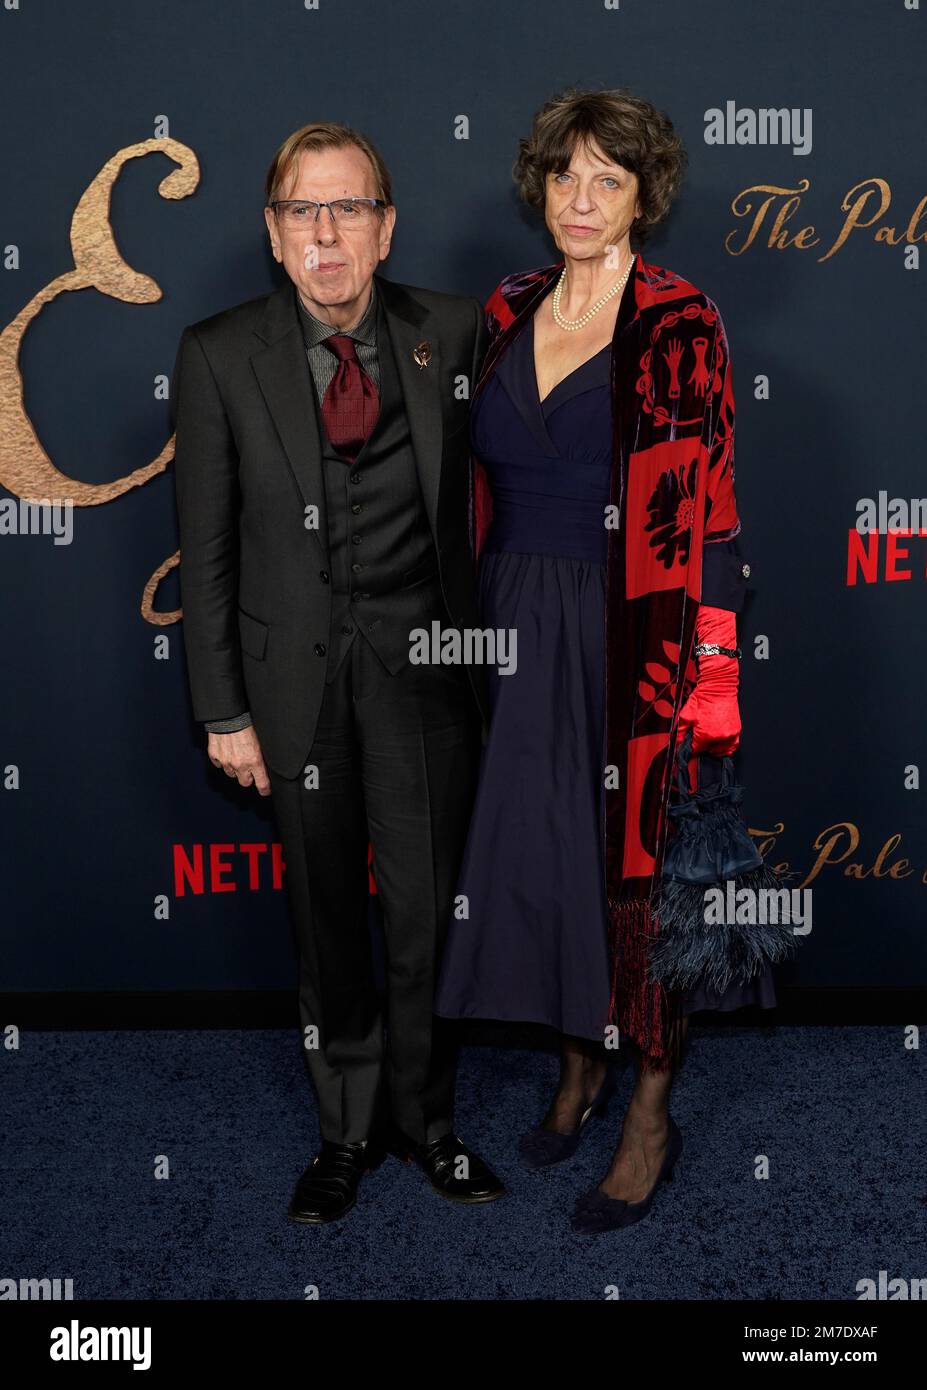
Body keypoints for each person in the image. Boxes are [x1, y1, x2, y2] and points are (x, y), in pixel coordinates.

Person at [436, 88, 772, 1234]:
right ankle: (579, 1063)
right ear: (538, 186)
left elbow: (713, 511)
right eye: (564, 177)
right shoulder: (505, 303)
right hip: (508, 619)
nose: (581, 201)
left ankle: (649, 1111)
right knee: (543, 855)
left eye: (609, 181)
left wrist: (709, 681)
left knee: (641, 869)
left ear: (644, 197)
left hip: (632, 634)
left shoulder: (682, 321)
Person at [172, 121, 504, 1225]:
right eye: (302, 212)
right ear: (272, 234)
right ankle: (347, 1133)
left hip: (425, 682)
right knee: (326, 922)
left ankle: (429, 1123)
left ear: (385, 226)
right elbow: (206, 549)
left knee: (423, 914)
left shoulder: (452, 335)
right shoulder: (219, 354)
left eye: (348, 209)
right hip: (289, 694)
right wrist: (223, 709)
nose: (326, 233)